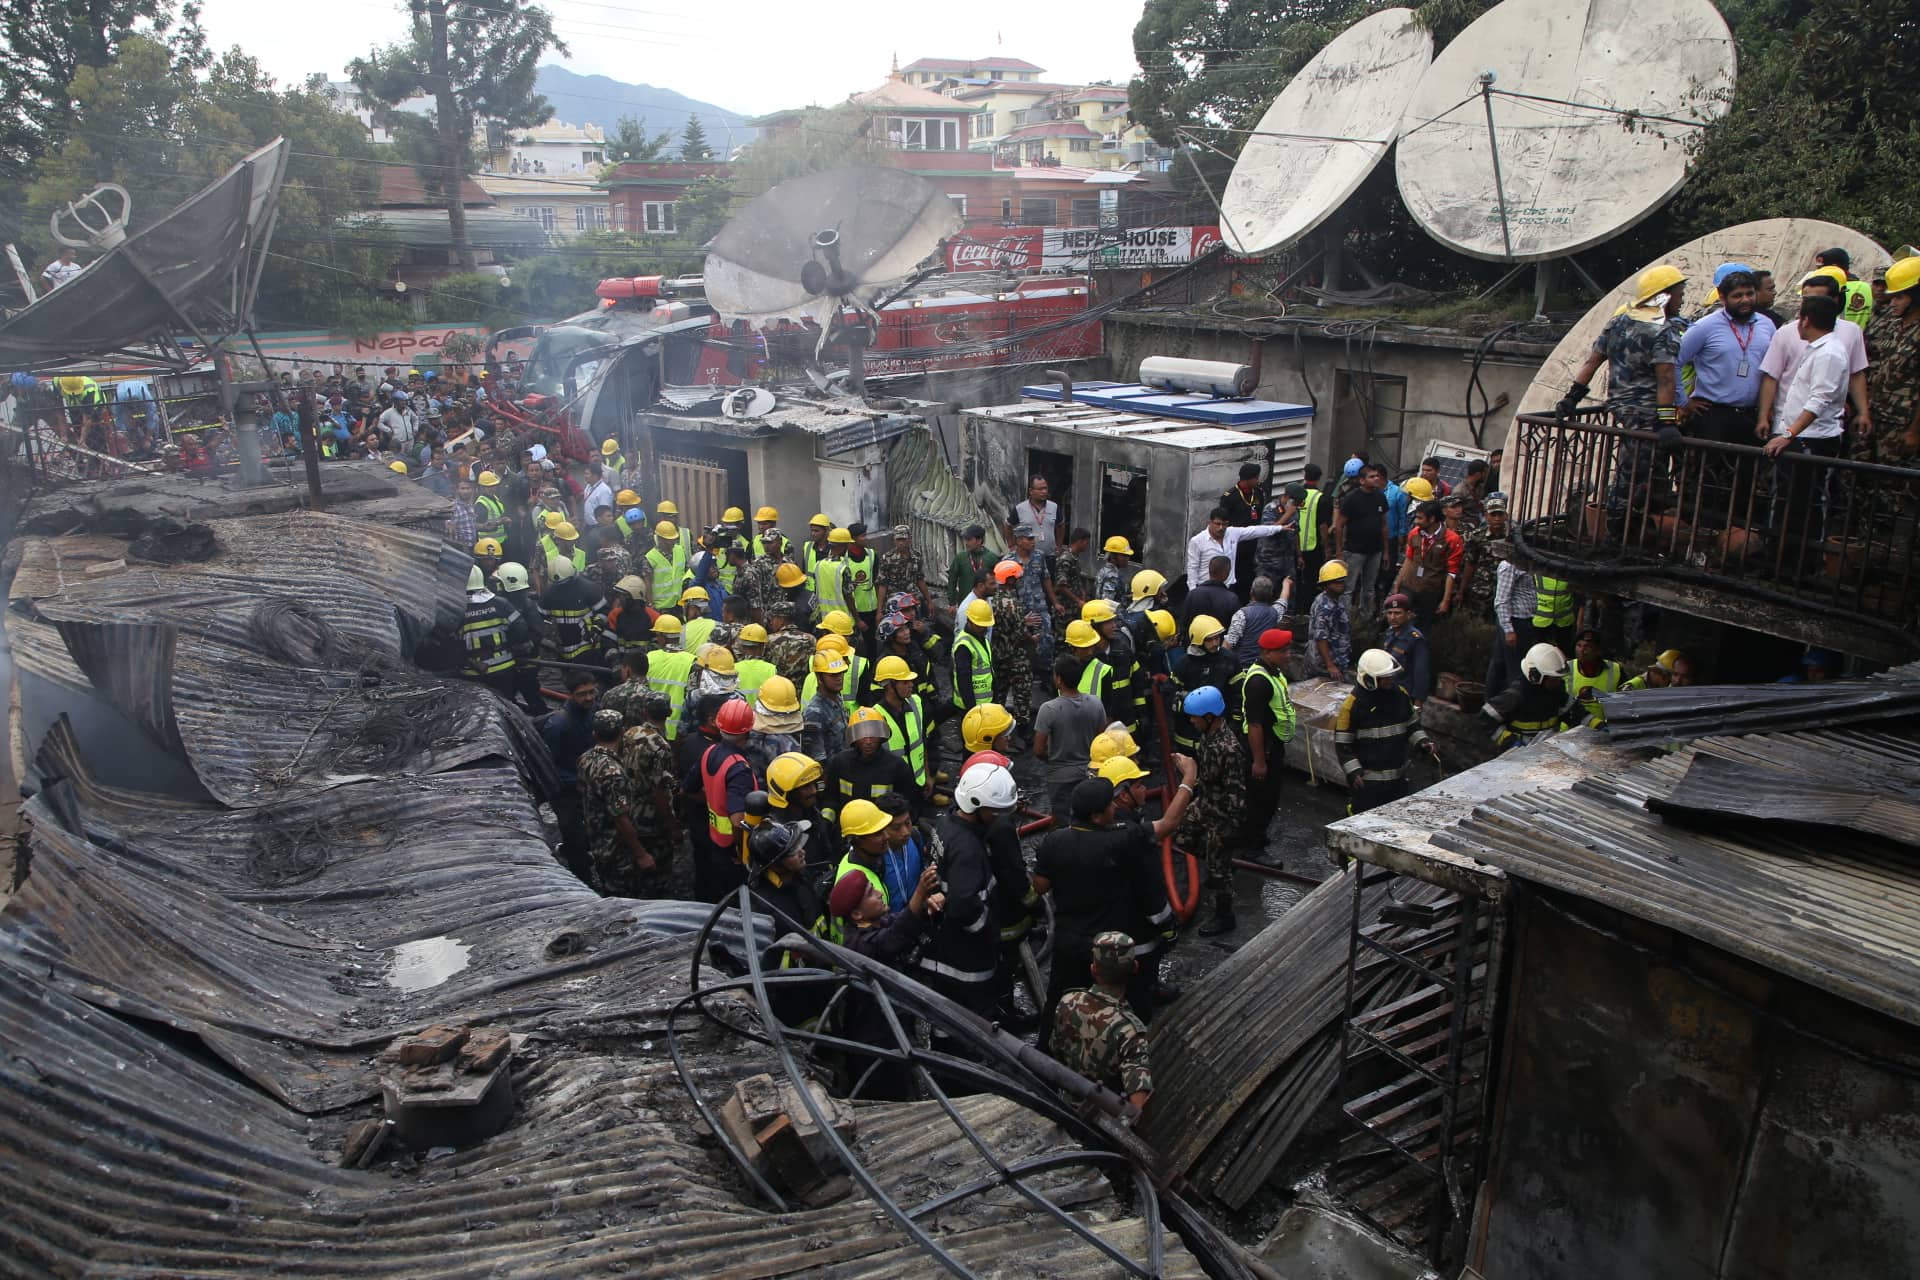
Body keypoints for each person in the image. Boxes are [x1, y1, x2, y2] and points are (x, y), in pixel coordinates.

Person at [1559, 265, 1686, 510]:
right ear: (1664, 297)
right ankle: (1618, 525)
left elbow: (1592, 361)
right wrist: (1668, 422)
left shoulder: (1617, 322)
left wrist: (1571, 398)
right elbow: (1666, 380)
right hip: (1648, 415)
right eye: (1679, 294)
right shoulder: (1664, 330)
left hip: (1620, 408)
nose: (1682, 300)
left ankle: (1634, 520)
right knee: (1638, 475)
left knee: (1641, 471)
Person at [1031, 778, 1142, 1049]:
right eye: (1109, 806)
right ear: (1096, 815)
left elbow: (1039, 886)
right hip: (1104, 947)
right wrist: (1187, 781)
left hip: (1068, 941)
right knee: (1112, 1004)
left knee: (1057, 1000)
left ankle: (1044, 1056)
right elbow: (1168, 825)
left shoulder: (1054, 841)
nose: (1114, 810)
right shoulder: (1120, 840)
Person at [918, 760, 1015, 1050]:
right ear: (978, 806)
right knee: (970, 1023)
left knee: (946, 1020)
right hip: (965, 959)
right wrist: (987, 929)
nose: (999, 817)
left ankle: (948, 1061)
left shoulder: (947, 821)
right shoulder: (968, 850)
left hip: (942, 946)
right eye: (995, 811)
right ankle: (966, 1077)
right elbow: (963, 906)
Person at [829, 862, 944, 1100]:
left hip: (894, 1025)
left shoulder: (875, 923)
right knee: (891, 1094)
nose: (880, 893)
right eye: (871, 894)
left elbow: (897, 922)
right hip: (877, 1043)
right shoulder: (858, 947)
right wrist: (919, 895)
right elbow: (891, 939)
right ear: (857, 915)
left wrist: (923, 907)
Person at [1764, 292, 1850, 552]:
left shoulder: (1830, 354)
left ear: (1806, 321)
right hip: (1797, 434)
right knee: (1787, 499)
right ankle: (1779, 555)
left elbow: (1818, 400)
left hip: (1813, 438)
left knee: (1808, 503)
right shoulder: (1818, 349)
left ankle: (1804, 561)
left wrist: (1788, 434)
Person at [1050, 932, 1154, 1116]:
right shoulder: (1130, 1031)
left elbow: (1055, 1050)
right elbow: (1137, 1106)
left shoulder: (1068, 1001)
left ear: (1093, 969)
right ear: (1135, 967)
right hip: (1101, 1121)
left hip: (1064, 1106)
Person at [1175, 685, 1248, 937]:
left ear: (1209, 717)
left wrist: (1229, 830)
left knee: (1219, 870)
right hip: (1205, 804)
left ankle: (1224, 914)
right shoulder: (1207, 737)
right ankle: (1215, 862)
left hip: (1222, 816)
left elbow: (1236, 792)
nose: (1191, 722)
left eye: (1195, 717)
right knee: (1182, 836)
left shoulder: (1229, 749)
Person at [1334, 649, 1438, 813]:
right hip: (1368, 783)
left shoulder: (1400, 695)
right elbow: (1343, 744)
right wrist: (1353, 772)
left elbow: (1412, 724)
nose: (1390, 680)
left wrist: (1422, 742)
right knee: (1361, 820)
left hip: (1398, 778)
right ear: (1369, 679)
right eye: (1385, 677)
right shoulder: (1352, 705)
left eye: (1391, 676)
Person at [684, 696, 757, 901]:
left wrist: (713, 798)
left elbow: (687, 788)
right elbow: (737, 819)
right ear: (747, 731)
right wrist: (741, 853)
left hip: (713, 840)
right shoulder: (738, 768)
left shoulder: (710, 752)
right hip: (731, 853)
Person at [579, 708, 658, 897]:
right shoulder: (613, 773)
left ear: (595, 734)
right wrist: (641, 854)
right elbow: (621, 818)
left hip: (597, 840)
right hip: (616, 848)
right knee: (625, 896)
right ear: (622, 731)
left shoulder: (585, 758)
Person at [1232, 628, 1295, 852]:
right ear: (1268, 653)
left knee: (1267, 798)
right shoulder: (1259, 682)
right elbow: (1255, 724)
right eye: (1283, 651)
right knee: (1260, 800)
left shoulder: (1273, 672)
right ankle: (1253, 849)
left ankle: (1255, 837)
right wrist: (1259, 761)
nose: (1288, 654)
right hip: (1263, 749)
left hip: (1271, 745)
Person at [1034, 654, 1110, 824]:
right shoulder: (1096, 704)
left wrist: (1054, 759)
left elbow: (1038, 750)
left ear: (1059, 680)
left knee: (1063, 824)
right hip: (1090, 773)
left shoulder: (1049, 709)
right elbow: (1102, 740)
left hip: (1060, 777)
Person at [616, 693, 680, 895]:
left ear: (644, 711)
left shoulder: (630, 733)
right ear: (668, 713)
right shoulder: (661, 746)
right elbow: (659, 791)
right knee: (659, 871)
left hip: (629, 809)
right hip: (652, 819)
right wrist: (672, 826)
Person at [542, 674, 600, 883]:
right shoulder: (558, 725)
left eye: (591, 692)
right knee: (573, 835)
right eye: (582, 694)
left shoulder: (594, 712)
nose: (588, 698)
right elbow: (548, 765)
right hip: (566, 790)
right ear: (570, 695)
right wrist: (574, 782)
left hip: (589, 785)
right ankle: (583, 880)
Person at [1863, 256, 1920, 466]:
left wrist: (1914, 432)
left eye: (1899, 297)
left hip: (1902, 422)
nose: (1892, 302)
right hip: (1876, 414)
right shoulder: (1893, 325)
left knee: (1892, 488)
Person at [460, 565, 538, 712]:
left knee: (478, 712)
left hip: (472, 672)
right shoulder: (501, 603)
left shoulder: (457, 608)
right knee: (508, 709)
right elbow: (521, 630)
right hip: (503, 667)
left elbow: (449, 642)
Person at [824, 708, 920, 826]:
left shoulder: (897, 767)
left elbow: (910, 807)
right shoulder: (840, 763)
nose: (868, 741)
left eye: (873, 734)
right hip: (847, 831)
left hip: (882, 834)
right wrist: (826, 823)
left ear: (881, 735)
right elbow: (830, 798)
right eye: (862, 735)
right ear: (853, 737)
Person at [1484, 643, 1575, 749]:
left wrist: (1597, 726)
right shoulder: (1516, 695)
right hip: (1519, 757)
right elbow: (1485, 718)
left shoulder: (1556, 691)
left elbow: (1575, 712)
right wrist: (1511, 742)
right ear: (1536, 676)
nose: (1558, 683)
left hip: (1546, 752)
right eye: (1553, 679)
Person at [1167, 617, 1237, 756]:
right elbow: (1171, 694)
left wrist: (1236, 719)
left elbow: (1237, 692)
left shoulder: (1229, 659)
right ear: (1198, 640)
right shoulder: (1184, 663)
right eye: (1209, 639)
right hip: (1189, 732)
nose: (1215, 643)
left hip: (1218, 728)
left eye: (1217, 638)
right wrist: (1187, 705)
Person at [868, 655, 932, 798]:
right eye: (905, 682)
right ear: (890, 686)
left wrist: (927, 776)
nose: (911, 684)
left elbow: (922, 742)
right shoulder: (876, 715)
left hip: (918, 783)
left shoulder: (915, 702)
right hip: (895, 792)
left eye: (910, 680)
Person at [1393, 501, 1463, 627]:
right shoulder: (1414, 533)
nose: (1416, 521)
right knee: (1399, 622)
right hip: (1409, 586)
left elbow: (1451, 573)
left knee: (1423, 627)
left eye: (1420, 518)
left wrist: (1445, 601)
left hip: (1431, 590)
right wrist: (1397, 585)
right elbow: (1408, 560)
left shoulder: (1452, 540)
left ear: (1432, 519)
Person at [1331, 465, 1390, 616]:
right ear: (1362, 480)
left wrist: (1386, 551)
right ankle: (1344, 618)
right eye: (1371, 476)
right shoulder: (1352, 498)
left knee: (1369, 588)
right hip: (1355, 551)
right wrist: (1339, 551)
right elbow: (1339, 525)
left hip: (1375, 550)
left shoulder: (1380, 496)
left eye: (1377, 476)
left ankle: (1366, 619)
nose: (1376, 479)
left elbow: (1384, 524)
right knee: (1348, 588)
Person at [1184, 506, 1284, 594]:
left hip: (1229, 587)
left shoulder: (1232, 533)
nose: (1221, 528)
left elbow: (1255, 530)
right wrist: (1193, 591)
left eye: (1224, 524)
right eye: (1217, 524)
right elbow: (1192, 567)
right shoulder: (1197, 541)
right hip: (1205, 588)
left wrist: (1279, 528)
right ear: (1209, 522)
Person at [990, 559, 1040, 732]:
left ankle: (998, 729)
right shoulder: (1013, 604)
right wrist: (1032, 638)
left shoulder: (991, 601)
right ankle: (1022, 732)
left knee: (999, 697)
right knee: (1022, 696)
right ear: (1011, 580)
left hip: (997, 658)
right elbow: (1020, 633)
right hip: (1016, 659)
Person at [1566, 628, 1625, 727]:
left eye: (1587, 646)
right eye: (1579, 645)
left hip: (1603, 729)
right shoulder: (1566, 668)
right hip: (1569, 732)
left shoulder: (1615, 670)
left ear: (1598, 650)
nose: (1582, 650)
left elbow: (1625, 701)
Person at [951, 598, 998, 717]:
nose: (984, 628)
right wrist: (972, 709)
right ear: (970, 621)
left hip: (985, 704)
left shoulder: (982, 637)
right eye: (980, 626)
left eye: (986, 625)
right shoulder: (964, 645)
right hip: (972, 707)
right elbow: (963, 681)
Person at [1306, 560, 1352, 681]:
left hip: (1338, 660)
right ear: (1326, 585)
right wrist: (1330, 665)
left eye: (1342, 581)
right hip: (1325, 666)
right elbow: (1321, 637)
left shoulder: (1334, 600)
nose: (1341, 585)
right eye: (1336, 583)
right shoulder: (1324, 607)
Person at [1225, 575, 1283, 669]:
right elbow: (1283, 602)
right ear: (1271, 595)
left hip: (1244, 668)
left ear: (1251, 592)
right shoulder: (1275, 612)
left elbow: (1229, 644)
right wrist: (1286, 584)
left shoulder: (1241, 614)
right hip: (1265, 667)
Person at [875, 525, 932, 616]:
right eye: (898, 540)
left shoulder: (916, 556)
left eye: (903, 539)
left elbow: (920, 579)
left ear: (910, 539)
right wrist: (879, 611)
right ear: (894, 540)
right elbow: (882, 585)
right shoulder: (887, 558)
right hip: (894, 604)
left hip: (912, 602)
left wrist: (929, 601)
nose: (901, 543)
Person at [1006, 474, 1064, 557]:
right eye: (1040, 489)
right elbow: (1008, 525)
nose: (1044, 492)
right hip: (1027, 558)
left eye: (1045, 488)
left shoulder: (1054, 507)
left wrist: (1059, 546)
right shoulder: (1020, 508)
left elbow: (1060, 525)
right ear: (1031, 491)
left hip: (1050, 556)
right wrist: (1011, 545)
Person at [1181, 555, 1240, 635]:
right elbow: (1234, 631)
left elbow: (1184, 625)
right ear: (1227, 573)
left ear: (1209, 570)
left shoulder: (1192, 594)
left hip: (1194, 644)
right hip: (1219, 645)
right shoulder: (1231, 599)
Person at [946, 524, 992, 616]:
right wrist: (952, 603)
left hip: (985, 606)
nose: (966, 543)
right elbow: (952, 580)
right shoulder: (960, 558)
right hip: (965, 606)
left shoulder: (991, 558)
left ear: (979, 540)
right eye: (966, 539)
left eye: (969, 539)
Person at [1052, 527, 1093, 622]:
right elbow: (1061, 585)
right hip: (1064, 607)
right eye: (1086, 543)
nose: (1087, 546)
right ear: (1079, 541)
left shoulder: (1074, 558)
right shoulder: (1065, 559)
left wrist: (1082, 592)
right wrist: (1077, 600)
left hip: (1073, 607)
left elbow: (1075, 578)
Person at [1094, 535, 1135, 605]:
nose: (1127, 558)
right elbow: (1107, 603)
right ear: (1113, 557)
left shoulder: (1104, 570)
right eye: (1124, 555)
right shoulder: (1112, 577)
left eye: (1128, 556)